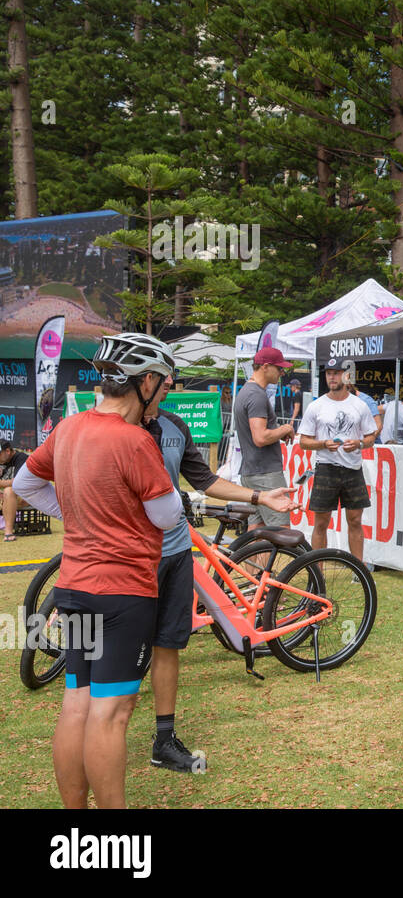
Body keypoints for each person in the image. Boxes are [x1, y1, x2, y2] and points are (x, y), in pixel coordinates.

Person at [14, 332, 183, 809]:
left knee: (77, 705)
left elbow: (25, 484)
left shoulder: (68, 428)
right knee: (111, 713)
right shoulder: (134, 441)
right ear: (145, 381)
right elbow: (168, 517)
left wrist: (77, 512)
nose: (164, 394)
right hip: (123, 593)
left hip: (74, 587)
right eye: (164, 385)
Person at [141, 373, 298, 773]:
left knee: (167, 645)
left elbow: (205, 479)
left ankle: (164, 739)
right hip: (131, 556)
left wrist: (260, 496)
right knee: (124, 655)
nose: (167, 385)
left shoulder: (175, 425)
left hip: (172, 552)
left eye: (170, 381)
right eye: (162, 379)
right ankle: (105, 736)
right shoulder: (111, 428)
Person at [299, 357, 377, 559]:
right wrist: (323, 444)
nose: (331, 377)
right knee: (321, 522)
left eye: (336, 373)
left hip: (353, 468)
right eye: (328, 373)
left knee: (355, 520)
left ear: (346, 375)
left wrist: (359, 444)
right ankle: (318, 575)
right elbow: (303, 442)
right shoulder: (316, 406)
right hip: (326, 467)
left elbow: (371, 436)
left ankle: (359, 570)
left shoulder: (359, 405)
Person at [232, 347, 297, 528]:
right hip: (266, 473)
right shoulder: (256, 395)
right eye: (279, 368)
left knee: (257, 533)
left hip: (251, 471)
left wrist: (277, 433)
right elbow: (260, 437)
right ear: (266, 367)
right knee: (282, 534)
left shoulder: (246, 391)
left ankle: (253, 559)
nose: (282, 373)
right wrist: (284, 428)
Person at [0, 438, 31, 541]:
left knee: (9, 491)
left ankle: (8, 532)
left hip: (25, 496)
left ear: (8, 451)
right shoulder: (2, 460)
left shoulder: (21, 458)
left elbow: (17, 482)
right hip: (5, 498)